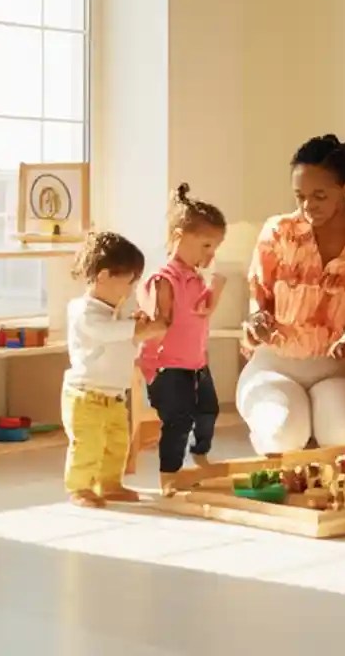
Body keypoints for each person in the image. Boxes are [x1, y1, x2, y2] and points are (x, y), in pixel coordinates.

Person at [237, 134, 345, 454]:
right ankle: (278, 432)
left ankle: (313, 430)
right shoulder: (278, 231)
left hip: (339, 369)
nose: (307, 206)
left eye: (320, 196)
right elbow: (259, 296)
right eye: (299, 196)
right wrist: (257, 319)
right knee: (283, 437)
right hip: (275, 365)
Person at [62, 232, 166, 508]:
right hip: (86, 396)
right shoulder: (83, 310)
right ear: (104, 276)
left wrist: (138, 331)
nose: (130, 290)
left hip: (115, 395)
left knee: (117, 444)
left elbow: (124, 343)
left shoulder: (116, 313)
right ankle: (80, 487)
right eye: (128, 282)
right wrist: (136, 329)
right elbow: (105, 333)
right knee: (88, 445)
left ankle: (109, 484)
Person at [139, 184, 228, 494]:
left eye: (214, 248)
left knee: (208, 412)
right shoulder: (164, 280)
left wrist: (216, 289)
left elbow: (202, 312)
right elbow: (158, 323)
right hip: (168, 366)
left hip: (196, 362)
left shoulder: (194, 278)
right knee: (179, 421)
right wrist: (148, 367)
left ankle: (199, 454)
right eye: (206, 246)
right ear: (179, 236)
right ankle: (169, 476)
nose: (210, 254)